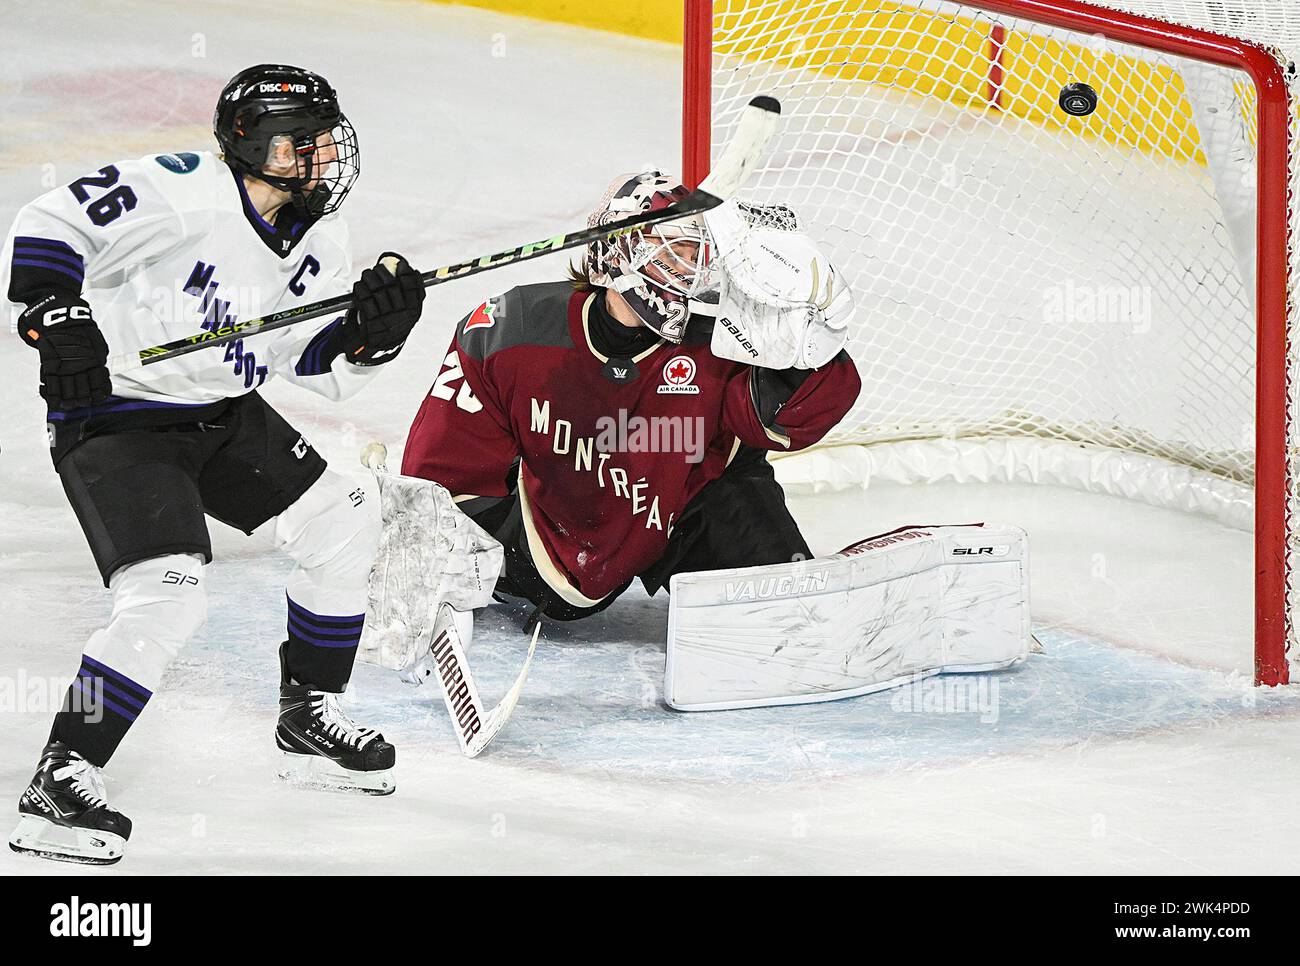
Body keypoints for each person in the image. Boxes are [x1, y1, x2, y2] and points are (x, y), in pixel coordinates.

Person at [4, 64, 425, 865]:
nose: (322, 158)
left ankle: (308, 717)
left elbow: (311, 356)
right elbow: (50, 222)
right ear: (249, 144)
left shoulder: (320, 234)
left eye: (324, 141)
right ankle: (64, 772)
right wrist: (55, 316)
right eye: (302, 143)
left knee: (344, 517)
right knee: (166, 596)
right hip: (120, 417)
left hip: (223, 416)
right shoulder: (182, 191)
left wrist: (375, 334)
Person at [400, 171, 860, 639]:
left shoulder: (720, 345)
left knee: (792, 615)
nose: (697, 268)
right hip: (541, 539)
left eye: (700, 252)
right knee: (449, 531)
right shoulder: (510, 330)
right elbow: (440, 469)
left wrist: (809, 348)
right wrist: (431, 559)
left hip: (679, 510)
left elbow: (788, 421)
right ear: (619, 251)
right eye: (676, 249)